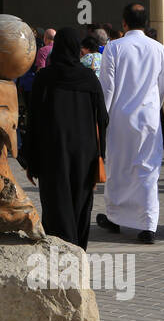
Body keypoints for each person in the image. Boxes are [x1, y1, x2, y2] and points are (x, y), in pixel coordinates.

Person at [21, 27, 109, 249]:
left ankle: (62, 250)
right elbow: (103, 119)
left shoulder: (44, 78)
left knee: (55, 201)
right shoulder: (88, 78)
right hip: (84, 153)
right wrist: (100, 154)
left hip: (53, 151)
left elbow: (33, 121)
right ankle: (78, 251)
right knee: (80, 204)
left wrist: (30, 160)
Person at [96, 3, 164, 244]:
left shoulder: (114, 47)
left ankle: (116, 216)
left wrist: (101, 116)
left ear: (124, 23)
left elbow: (106, 87)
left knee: (118, 167)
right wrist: (153, 107)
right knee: (147, 170)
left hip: (120, 118)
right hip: (148, 118)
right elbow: (163, 85)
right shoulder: (159, 49)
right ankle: (148, 223)